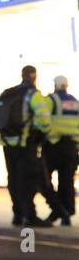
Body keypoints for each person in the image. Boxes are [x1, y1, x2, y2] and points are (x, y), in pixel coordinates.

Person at [0, 64, 61, 227]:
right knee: (27, 180)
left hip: (7, 144)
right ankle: (30, 216)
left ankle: (17, 214)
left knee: (13, 179)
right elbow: (44, 120)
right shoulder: (34, 95)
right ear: (34, 76)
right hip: (26, 144)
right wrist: (44, 136)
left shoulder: (7, 93)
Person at [44, 75, 77, 226]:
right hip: (71, 148)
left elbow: (42, 120)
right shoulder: (75, 102)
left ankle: (57, 209)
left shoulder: (51, 100)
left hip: (53, 145)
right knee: (66, 182)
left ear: (55, 85)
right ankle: (67, 214)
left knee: (43, 179)